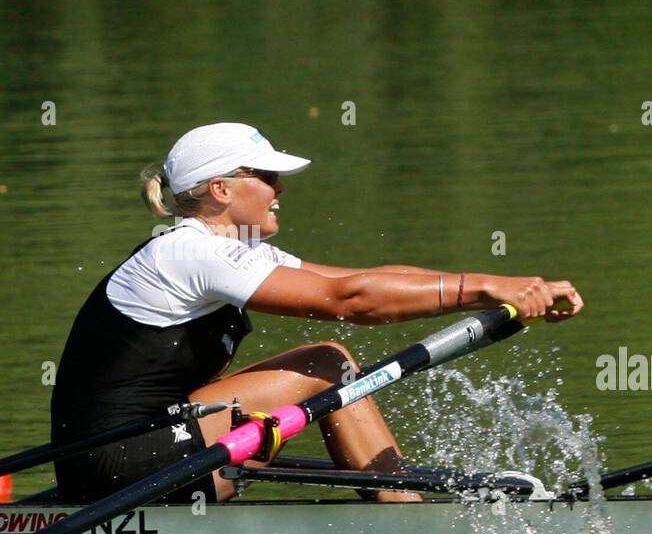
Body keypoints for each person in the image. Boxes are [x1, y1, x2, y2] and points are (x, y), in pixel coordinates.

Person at [50, 122, 583, 505]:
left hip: (155, 439)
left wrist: (502, 289)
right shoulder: (187, 252)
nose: (280, 189)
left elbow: (358, 278)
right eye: (266, 176)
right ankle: (398, 508)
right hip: (116, 464)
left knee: (325, 368)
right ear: (221, 189)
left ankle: (394, 499)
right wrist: (485, 287)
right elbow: (353, 302)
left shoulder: (235, 249)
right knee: (327, 365)